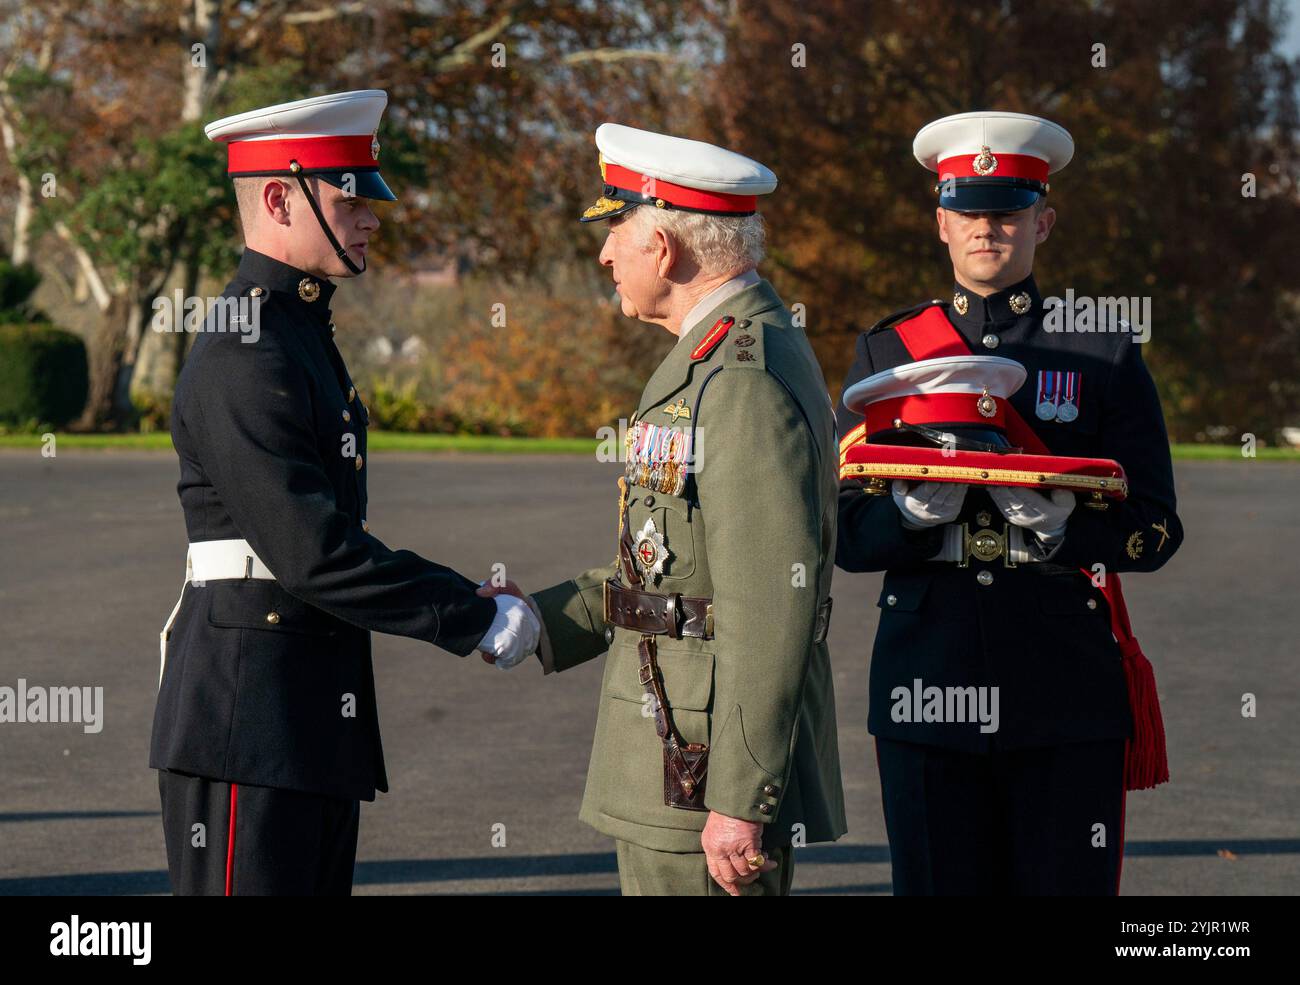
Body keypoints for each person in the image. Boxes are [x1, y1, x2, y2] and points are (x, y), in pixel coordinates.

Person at [150, 90, 539, 896]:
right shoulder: (245, 349)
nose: (370, 218)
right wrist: (469, 613)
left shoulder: (297, 334)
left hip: (300, 720)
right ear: (277, 196)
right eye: (349, 197)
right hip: (246, 726)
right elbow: (314, 551)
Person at [482, 123, 846, 895]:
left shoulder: (740, 377)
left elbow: (770, 602)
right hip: (681, 754)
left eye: (618, 228)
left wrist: (741, 802)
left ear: (668, 249)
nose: (606, 253)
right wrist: (546, 619)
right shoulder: (713, 356)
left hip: (705, 774)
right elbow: (669, 565)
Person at [835, 111, 1183, 895]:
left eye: (1008, 211)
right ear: (941, 223)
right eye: (969, 210)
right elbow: (846, 536)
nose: (987, 227)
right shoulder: (889, 351)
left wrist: (1069, 528)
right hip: (928, 678)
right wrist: (913, 518)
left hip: (1060, 682)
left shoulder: (1102, 349)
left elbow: (1156, 530)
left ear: (1043, 222)